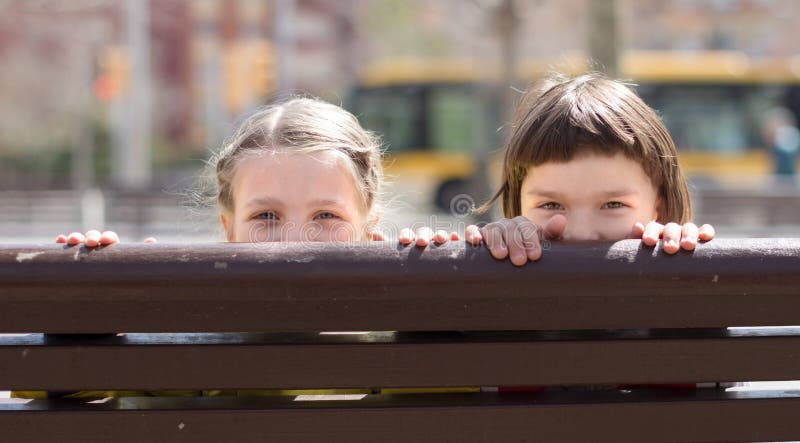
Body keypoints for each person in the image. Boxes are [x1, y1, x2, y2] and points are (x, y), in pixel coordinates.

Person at [21, 96, 389, 399]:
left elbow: (51, 395)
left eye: (325, 214)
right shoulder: (388, 343)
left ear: (368, 231)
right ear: (229, 230)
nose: (294, 237)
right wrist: (435, 279)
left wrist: (89, 299)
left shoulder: (184, 340)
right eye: (267, 216)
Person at [408, 73, 714, 265]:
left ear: (658, 209)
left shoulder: (682, 277)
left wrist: (686, 262)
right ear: (518, 206)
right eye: (550, 204)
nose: (580, 232)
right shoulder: (494, 279)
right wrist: (479, 256)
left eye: (613, 204)